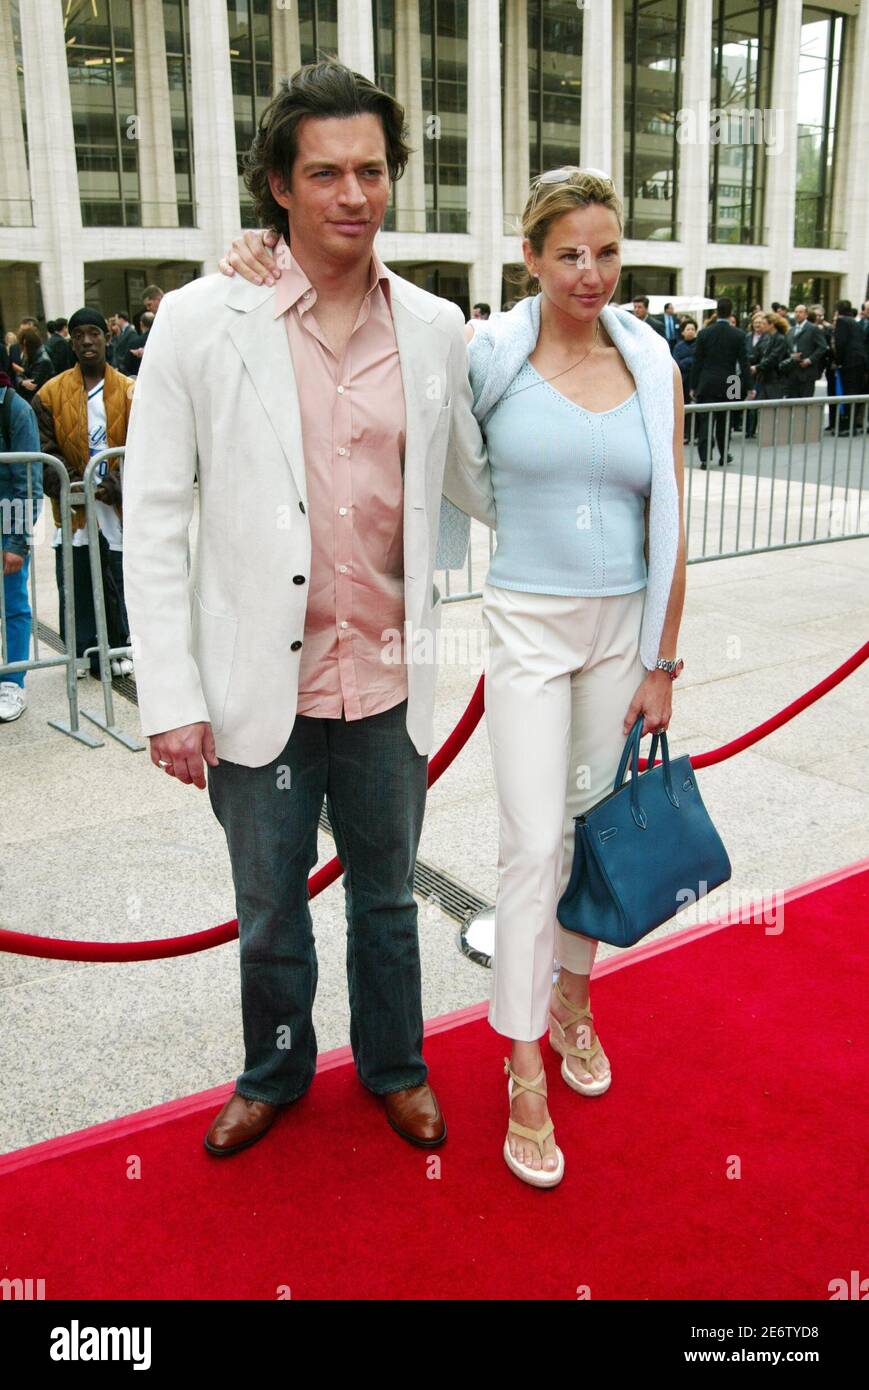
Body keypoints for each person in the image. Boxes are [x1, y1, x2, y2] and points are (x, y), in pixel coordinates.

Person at [224, 164, 687, 1188]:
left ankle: (572, 998)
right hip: (525, 619)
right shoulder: (483, 351)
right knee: (530, 842)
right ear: (527, 257)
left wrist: (661, 657)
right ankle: (521, 1057)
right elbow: (385, 338)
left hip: (622, 632)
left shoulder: (652, 359)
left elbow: (672, 519)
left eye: (606, 252)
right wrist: (257, 254)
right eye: (567, 252)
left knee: (592, 827)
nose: (588, 272)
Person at [122, 59, 497, 1162]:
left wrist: (600, 365)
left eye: (372, 171)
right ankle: (274, 1071)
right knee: (269, 911)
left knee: (385, 901)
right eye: (325, 172)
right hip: (256, 684)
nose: (353, 195)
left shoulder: (433, 328)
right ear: (277, 186)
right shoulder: (199, 319)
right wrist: (170, 699)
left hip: (386, 676)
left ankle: (395, 1068)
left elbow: (480, 475)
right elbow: (153, 520)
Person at [31, 308, 135, 679]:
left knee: (118, 576)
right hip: (75, 509)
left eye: (94, 333)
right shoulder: (50, 393)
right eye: (79, 335)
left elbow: (144, 448)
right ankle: (79, 650)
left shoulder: (129, 390)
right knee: (75, 577)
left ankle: (120, 645)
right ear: (71, 341)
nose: (87, 341)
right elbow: (45, 452)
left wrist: (114, 485)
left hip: (117, 508)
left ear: (106, 337)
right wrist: (72, 484)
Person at [0, 369, 43, 722]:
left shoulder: (15, 409)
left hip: (6, 524)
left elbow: (29, 479)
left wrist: (17, 542)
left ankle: (12, 682)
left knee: (13, 604)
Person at [690, 297, 753, 468]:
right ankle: (724, 454)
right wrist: (750, 387)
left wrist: (693, 385)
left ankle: (704, 457)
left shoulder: (704, 333)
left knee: (705, 421)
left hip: (707, 381)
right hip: (731, 382)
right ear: (731, 312)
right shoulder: (739, 335)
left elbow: (697, 362)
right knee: (726, 421)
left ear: (716, 312)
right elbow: (744, 363)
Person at [831, 301, 868, 433]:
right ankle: (852, 424)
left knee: (848, 393)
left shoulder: (842, 322)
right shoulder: (855, 323)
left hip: (849, 362)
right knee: (855, 393)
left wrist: (838, 361)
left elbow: (840, 343)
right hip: (860, 361)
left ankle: (847, 426)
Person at [782, 304, 827, 399]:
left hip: (807, 372)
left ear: (806, 315)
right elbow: (786, 348)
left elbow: (822, 347)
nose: (797, 314)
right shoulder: (791, 331)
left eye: (800, 312)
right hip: (793, 371)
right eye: (796, 312)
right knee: (792, 400)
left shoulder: (813, 329)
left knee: (805, 400)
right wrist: (791, 356)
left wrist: (810, 360)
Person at [15, 324, 55, 404]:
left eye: (23, 346)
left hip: (43, 401)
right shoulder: (30, 357)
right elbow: (20, 375)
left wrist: (21, 381)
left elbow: (31, 387)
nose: (22, 349)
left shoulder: (42, 360)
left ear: (27, 344)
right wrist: (22, 382)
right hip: (36, 400)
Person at [673, 318, 697, 443]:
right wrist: (689, 361)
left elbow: (697, 361)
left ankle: (695, 433)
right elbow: (676, 363)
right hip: (682, 380)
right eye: (688, 329)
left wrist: (687, 361)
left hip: (694, 381)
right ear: (683, 332)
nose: (691, 331)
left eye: (693, 329)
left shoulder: (699, 344)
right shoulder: (679, 346)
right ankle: (685, 434)